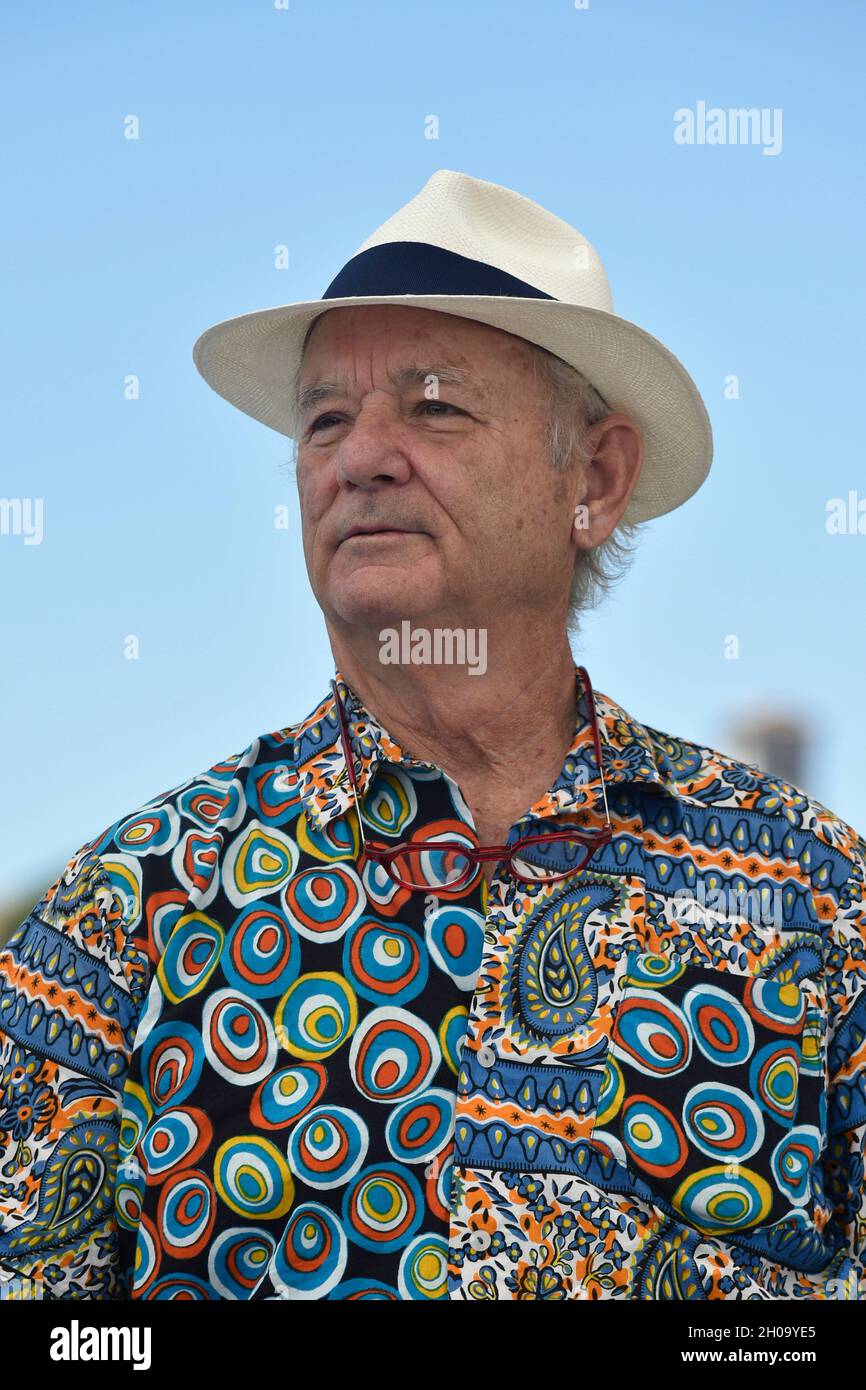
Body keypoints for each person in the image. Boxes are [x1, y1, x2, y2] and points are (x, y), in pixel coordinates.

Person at [1, 169, 863, 1301]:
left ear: (594, 478)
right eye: (323, 421)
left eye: (433, 405)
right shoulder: (123, 912)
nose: (359, 457)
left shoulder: (809, 896)